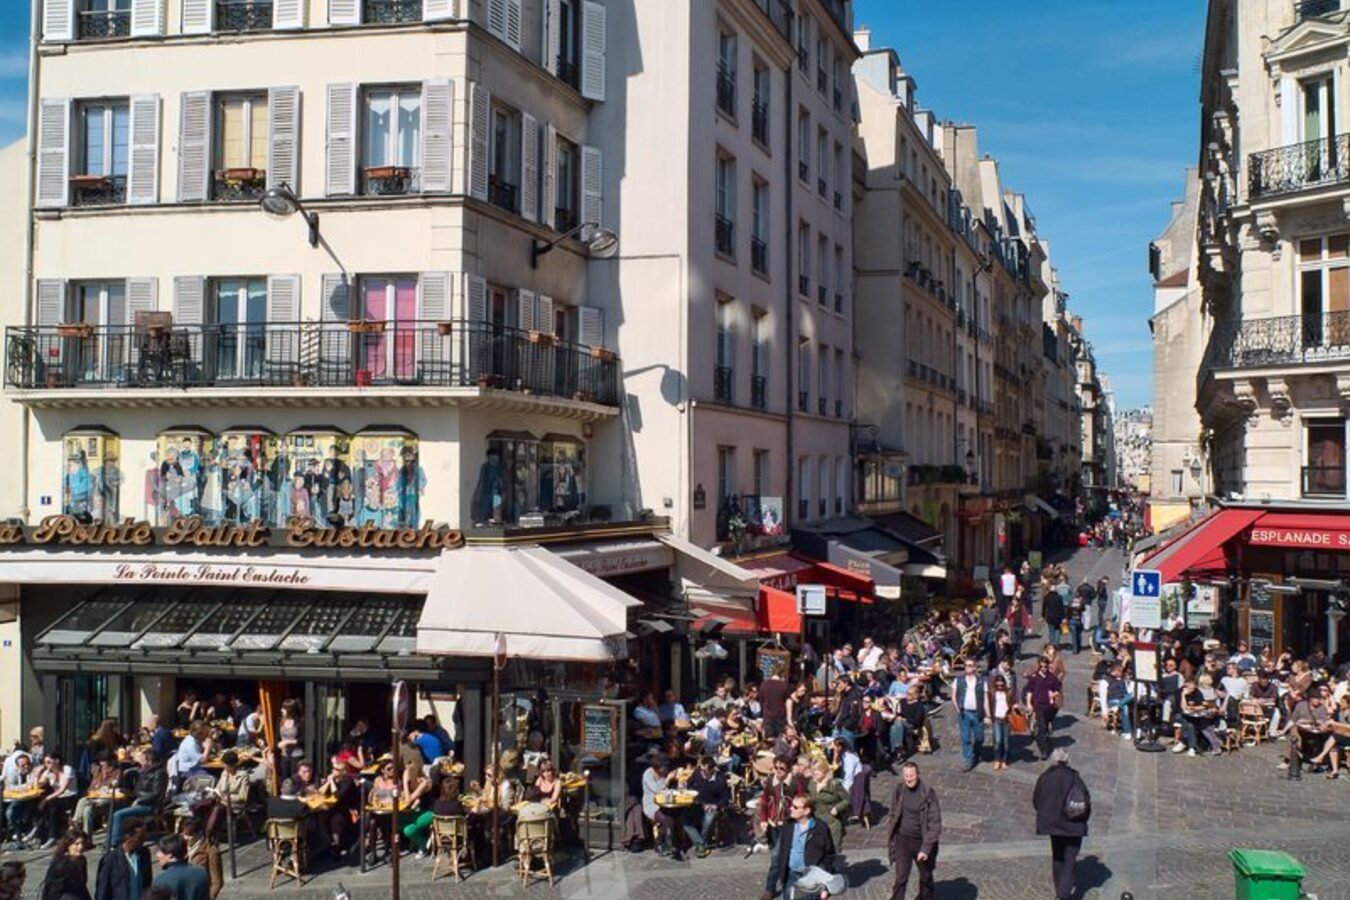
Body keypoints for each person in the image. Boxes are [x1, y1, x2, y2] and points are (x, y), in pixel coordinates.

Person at [1032, 748, 1091, 900]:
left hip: (1053, 825)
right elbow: (1086, 801)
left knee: (1058, 857)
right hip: (1073, 825)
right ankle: (1063, 895)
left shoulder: (1045, 777)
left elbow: (1036, 800)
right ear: (1067, 760)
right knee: (1070, 859)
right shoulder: (1074, 777)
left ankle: (1059, 890)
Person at [886, 761, 941, 900]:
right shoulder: (899, 790)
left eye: (911, 775)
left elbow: (935, 823)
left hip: (921, 841)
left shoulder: (928, 793)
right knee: (900, 878)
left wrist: (926, 849)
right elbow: (893, 813)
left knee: (926, 877)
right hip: (903, 841)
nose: (908, 779)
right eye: (906, 776)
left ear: (918, 775)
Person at [774, 795, 837, 900]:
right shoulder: (788, 825)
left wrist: (823, 874)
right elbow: (783, 849)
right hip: (791, 873)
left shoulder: (820, 828)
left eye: (795, 807)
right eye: (791, 805)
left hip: (810, 876)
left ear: (807, 810)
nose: (790, 808)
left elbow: (829, 853)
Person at [108, 748, 166, 851]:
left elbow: (156, 794)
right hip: (139, 801)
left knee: (118, 814)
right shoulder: (144, 771)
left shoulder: (159, 773)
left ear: (149, 760)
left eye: (142, 759)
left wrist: (139, 799)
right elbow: (137, 790)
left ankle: (115, 844)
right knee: (114, 808)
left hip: (149, 805)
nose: (140, 761)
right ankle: (112, 839)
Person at [682, 755, 728, 858]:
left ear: (711, 770)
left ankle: (701, 843)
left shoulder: (720, 779)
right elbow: (689, 784)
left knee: (708, 818)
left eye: (704, 770)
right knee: (684, 821)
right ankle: (701, 843)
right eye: (701, 769)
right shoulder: (698, 773)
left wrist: (716, 806)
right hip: (698, 803)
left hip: (712, 805)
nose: (702, 772)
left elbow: (725, 798)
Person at [95, 820, 152, 900]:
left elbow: (147, 884)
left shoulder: (144, 854)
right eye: (140, 837)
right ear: (127, 836)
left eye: (144, 837)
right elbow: (102, 890)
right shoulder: (110, 859)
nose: (143, 841)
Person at [1023, 656, 1063, 760]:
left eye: (1045, 666)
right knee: (1042, 727)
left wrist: (1053, 695)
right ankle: (1044, 750)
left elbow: (1057, 690)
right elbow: (1029, 691)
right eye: (1041, 667)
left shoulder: (1052, 677)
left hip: (1049, 706)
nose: (1043, 669)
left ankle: (1043, 736)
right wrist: (1028, 704)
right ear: (1039, 666)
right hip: (1038, 705)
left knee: (1045, 725)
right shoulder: (1034, 677)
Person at [951, 659, 987, 771]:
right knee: (966, 738)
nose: (968, 667)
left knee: (979, 737)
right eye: (966, 665)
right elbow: (953, 694)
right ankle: (968, 760)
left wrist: (988, 715)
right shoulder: (959, 680)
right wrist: (957, 707)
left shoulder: (982, 681)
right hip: (964, 713)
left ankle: (976, 753)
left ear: (975, 667)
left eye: (970, 665)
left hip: (977, 713)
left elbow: (986, 700)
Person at [150, 833, 210, 900]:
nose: (157, 855)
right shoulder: (201, 873)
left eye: (159, 851)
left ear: (170, 854)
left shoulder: (161, 880)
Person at [36, 753, 78, 847]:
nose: (47, 765)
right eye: (45, 763)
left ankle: (51, 836)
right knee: (45, 805)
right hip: (57, 798)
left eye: (49, 762)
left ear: (57, 761)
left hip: (69, 796)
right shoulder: (48, 772)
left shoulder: (67, 769)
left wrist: (46, 799)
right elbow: (38, 785)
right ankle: (42, 834)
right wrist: (38, 774)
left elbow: (62, 790)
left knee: (51, 805)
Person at [39, 828, 92, 900]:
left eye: (82, 843)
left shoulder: (82, 860)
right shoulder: (62, 865)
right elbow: (52, 891)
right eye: (77, 844)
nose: (81, 847)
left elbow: (82, 887)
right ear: (68, 845)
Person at [808, 758, 848, 853]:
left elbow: (847, 800)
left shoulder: (834, 784)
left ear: (824, 770)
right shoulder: (812, 784)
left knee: (832, 852)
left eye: (817, 770)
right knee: (818, 852)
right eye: (813, 770)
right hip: (816, 823)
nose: (815, 773)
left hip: (832, 823)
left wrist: (837, 808)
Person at [986, 674, 1015, 770]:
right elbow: (988, 704)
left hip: (1006, 719)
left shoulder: (1009, 692)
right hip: (997, 719)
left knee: (1006, 741)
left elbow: (1013, 703)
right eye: (998, 685)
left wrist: (1014, 707)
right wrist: (988, 716)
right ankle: (997, 759)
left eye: (1001, 685)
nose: (1000, 687)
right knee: (998, 741)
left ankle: (1004, 760)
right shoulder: (992, 693)